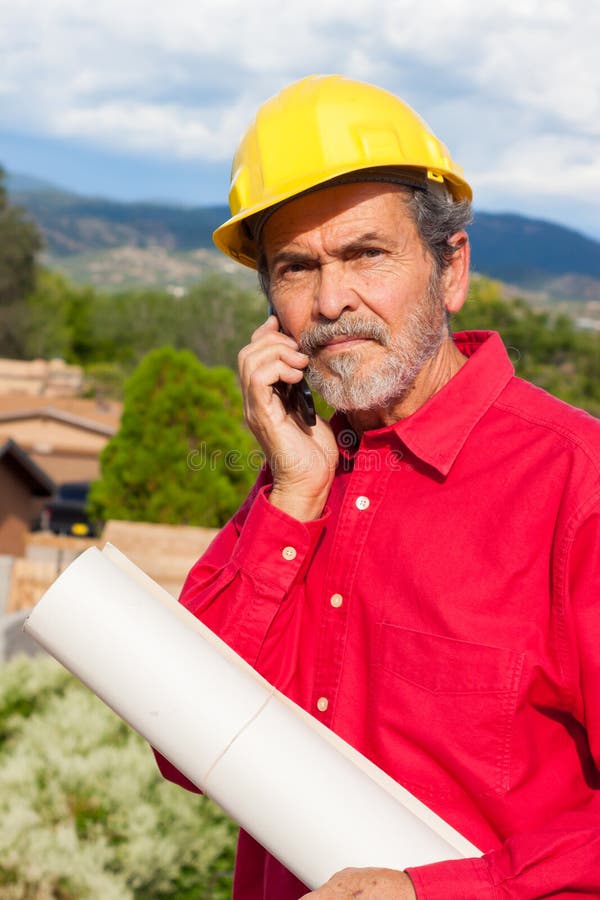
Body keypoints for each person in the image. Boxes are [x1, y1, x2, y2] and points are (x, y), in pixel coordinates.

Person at [156, 75, 600, 898]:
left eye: (366, 254)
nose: (331, 301)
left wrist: (439, 892)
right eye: (295, 268)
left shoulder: (579, 489)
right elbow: (180, 750)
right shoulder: (298, 479)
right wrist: (290, 497)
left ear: (450, 268)